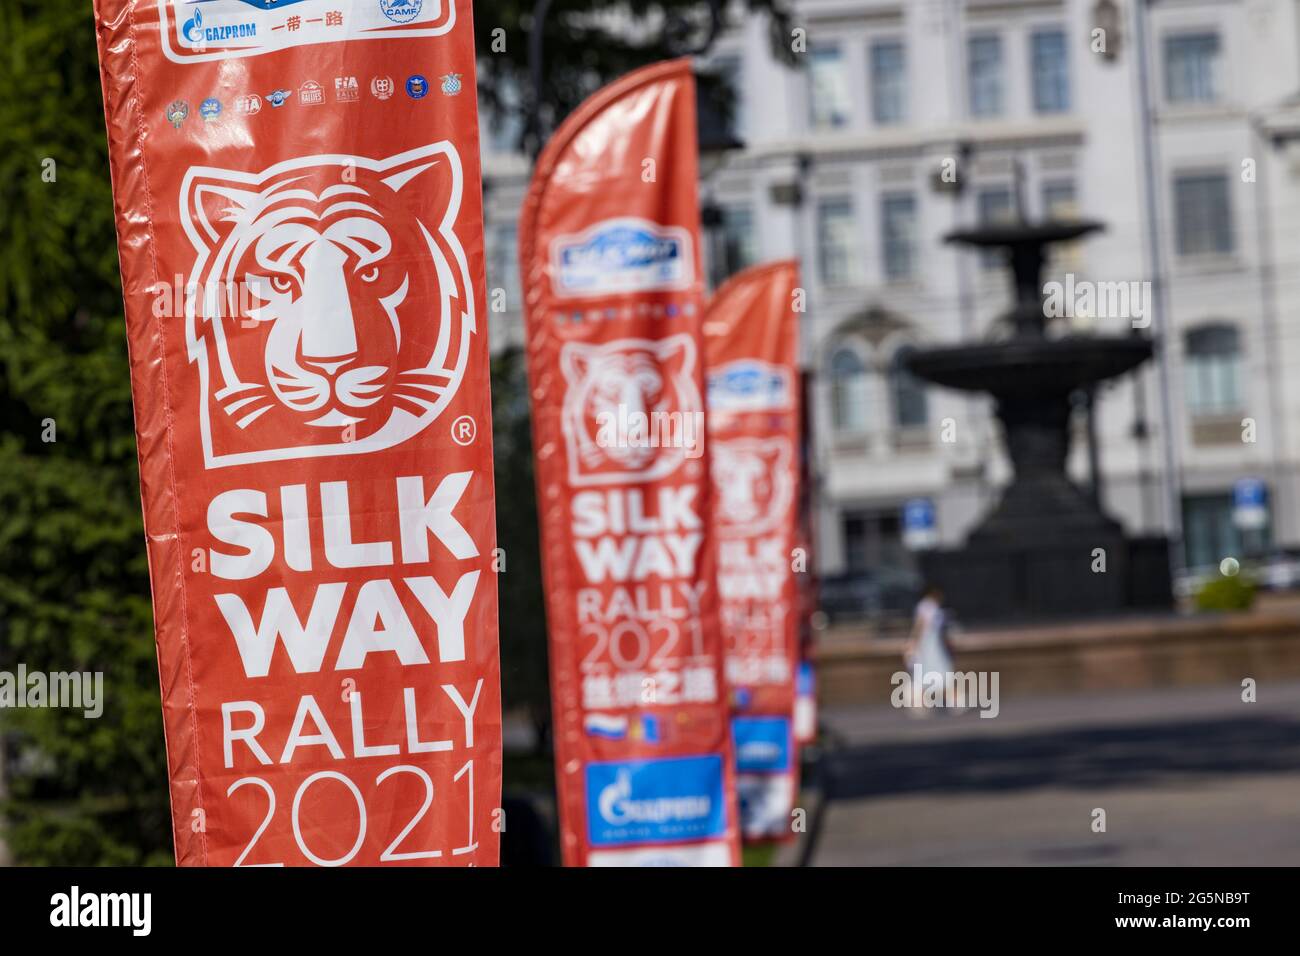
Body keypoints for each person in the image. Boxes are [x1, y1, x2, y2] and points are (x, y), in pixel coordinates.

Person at [903, 585, 957, 714]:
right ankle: (921, 704)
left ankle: (952, 701)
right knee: (933, 672)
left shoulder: (931, 606)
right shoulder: (926, 606)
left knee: (939, 673)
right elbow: (920, 626)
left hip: (934, 644)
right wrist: (915, 643)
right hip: (928, 646)